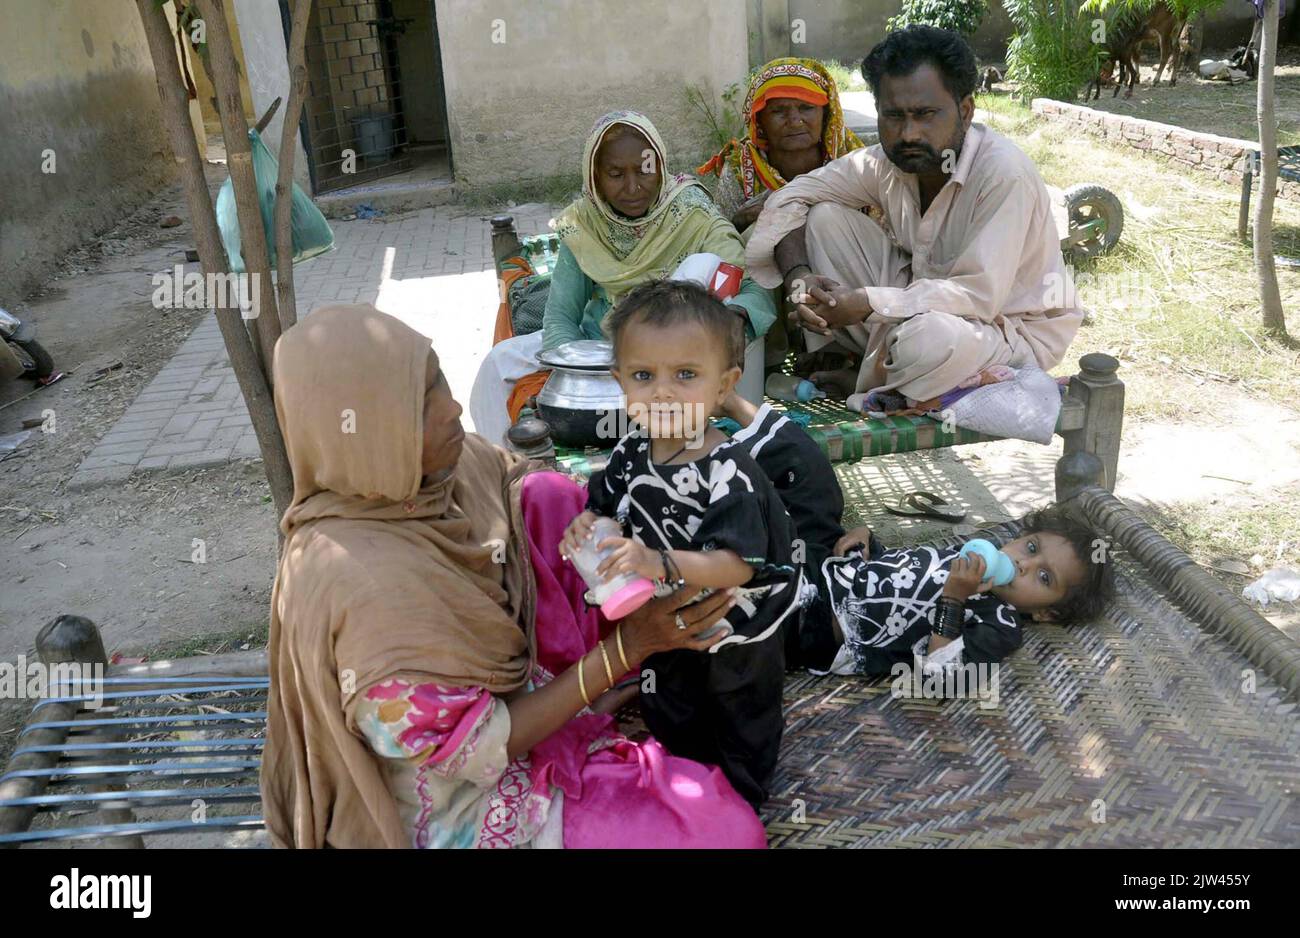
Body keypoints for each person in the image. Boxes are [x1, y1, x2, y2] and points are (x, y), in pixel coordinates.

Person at [261, 303, 769, 849]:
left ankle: (586, 684)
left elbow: (525, 487)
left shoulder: (440, 481)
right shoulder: (365, 596)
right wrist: (628, 649)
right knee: (722, 833)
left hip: (520, 697)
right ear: (367, 427)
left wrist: (605, 535)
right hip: (461, 791)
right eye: (422, 398)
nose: (453, 407)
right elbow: (480, 751)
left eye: (440, 381)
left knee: (552, 500)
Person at [744, 26, 1085, 411]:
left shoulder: (1003, 174)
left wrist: (868, 302)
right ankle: (874, 370)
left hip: (1005, 328)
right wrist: (799, 276)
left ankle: (870, 376)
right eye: (893, 116)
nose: (908, 133)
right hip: (915, 303)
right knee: (825, 218)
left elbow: (978, 296)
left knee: (927, 341)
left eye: (925, 115)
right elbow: (794, 194)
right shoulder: (886, 163)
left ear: (966, 110)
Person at [561, 281, 801, 807]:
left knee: (739, 709)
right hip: (666, 612)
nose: (662, 393)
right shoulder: (631, 451)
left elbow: (737, 565)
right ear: (619, 382)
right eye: (644, 376)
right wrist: (586, 522)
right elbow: (603, 503)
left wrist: (658, 561)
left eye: (685, 376)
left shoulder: (728, 473)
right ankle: (683, 774)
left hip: (737, 621)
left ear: (724, 385)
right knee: (668, 691)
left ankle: (739, 799)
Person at [470, 110, 777, 446]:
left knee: (704, 271)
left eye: (645, 170)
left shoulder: (693, 214)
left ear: (660, 166)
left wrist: (736, 317)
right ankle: (503, 467)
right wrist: (575, 379)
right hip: (599, 347)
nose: (633, 187)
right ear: (595, 178)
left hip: (673, 349)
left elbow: (747, 288)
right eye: (615, 174)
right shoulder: (585, 224)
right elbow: (560, 316)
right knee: (498, 362)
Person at [792, 504, 1114, 677]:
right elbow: (905, 571)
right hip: (830, 567)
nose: (1024, 565)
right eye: (1031, 547)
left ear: (1046, 612)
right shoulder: (972, 554)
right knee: (813, 483)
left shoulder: (999, 625)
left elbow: (938, 676)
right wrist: (867, 539)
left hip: (821, 621)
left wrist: (954, 598)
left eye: (1044, 577)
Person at [698, 57, 866, 236]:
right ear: (759, 121)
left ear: (825, 115)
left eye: (806, 108)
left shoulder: (850, 158)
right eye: (778, 111)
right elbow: (718, 238)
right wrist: (741, 220)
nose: (794, 121)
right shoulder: (741, 166)